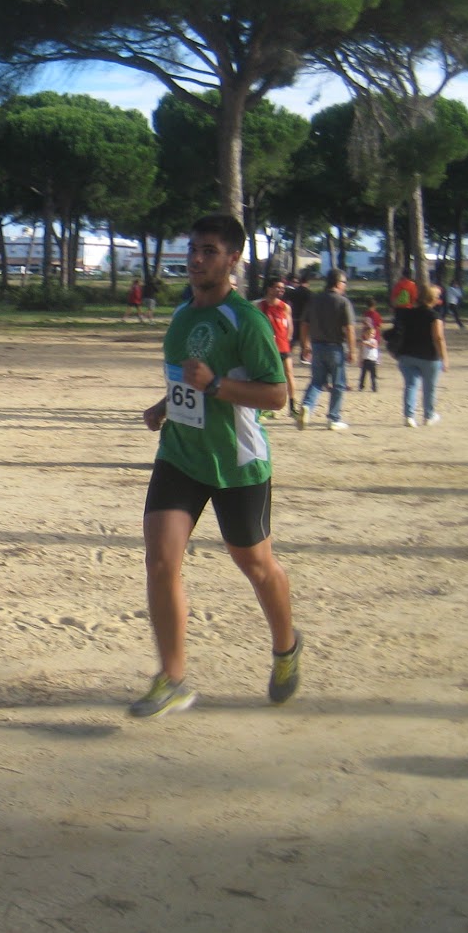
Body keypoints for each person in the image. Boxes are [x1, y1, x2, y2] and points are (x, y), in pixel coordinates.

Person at [132, 213, 298, 719]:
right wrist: (165, 405)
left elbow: (277, 396)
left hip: (237, 464)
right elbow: (186, 380)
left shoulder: (246, 321)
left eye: (208, 250)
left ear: (233, 260)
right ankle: (172, 677)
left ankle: (287, 647)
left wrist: (214, 386)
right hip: (180, 456)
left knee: (256, 565)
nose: (196, 259)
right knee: (160, 562)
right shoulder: (184, 314)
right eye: (193, 249)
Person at [296, 268, 357, 430]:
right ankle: (333, 418)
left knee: (317, 381)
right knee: (338, 384)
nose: (345, 285)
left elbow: (304, 323)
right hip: (335, 347)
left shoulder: (314, 300)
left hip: (316, 346)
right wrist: (353, 350)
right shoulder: (342, 302)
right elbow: (349, 328)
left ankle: (307, 405)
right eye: (344, 282)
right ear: (338, 283)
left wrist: (305, 345)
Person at [394, 283, 449, 426]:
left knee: (411, 385)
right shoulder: (435, 316)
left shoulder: (408, 313)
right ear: (434, 299)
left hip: (407, 354)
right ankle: (429, 415)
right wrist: (444, 358)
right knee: (429, 387)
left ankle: (409, 415)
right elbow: (438, 338)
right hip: (429, 356)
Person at [255, 275, 298, 420]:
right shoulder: (260, 306)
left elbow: (290, 327)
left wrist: (287, 339)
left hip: (283, 346)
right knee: (266, 378)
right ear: (269, 288)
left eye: (282, 288)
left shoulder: (285, 307)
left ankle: (293, 407)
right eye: (277, 287)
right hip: (268, 347)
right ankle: (265, 408)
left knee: (289, 374)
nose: (281, 290)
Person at [285, 272, 312, 363]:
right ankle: (304, 357)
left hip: (294, 318)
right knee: (305, 340)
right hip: (304, 319)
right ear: (307, 282)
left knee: (291, 341)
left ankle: (285, 355)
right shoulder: (309, 294)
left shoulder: (293, 292)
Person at [358, 317, 381, 391]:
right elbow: (361, 351)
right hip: (365, 360)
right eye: (369, 333)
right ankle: (361, 386)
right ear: (365, 334)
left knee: (373, 375)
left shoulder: (374, 341)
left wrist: (366, 343)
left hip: (372, 360)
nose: (371, 335)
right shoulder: (363, 342)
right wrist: (360, 359)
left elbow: (373, 346)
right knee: (363, 375)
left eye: (372, 334)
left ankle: (374, 387)